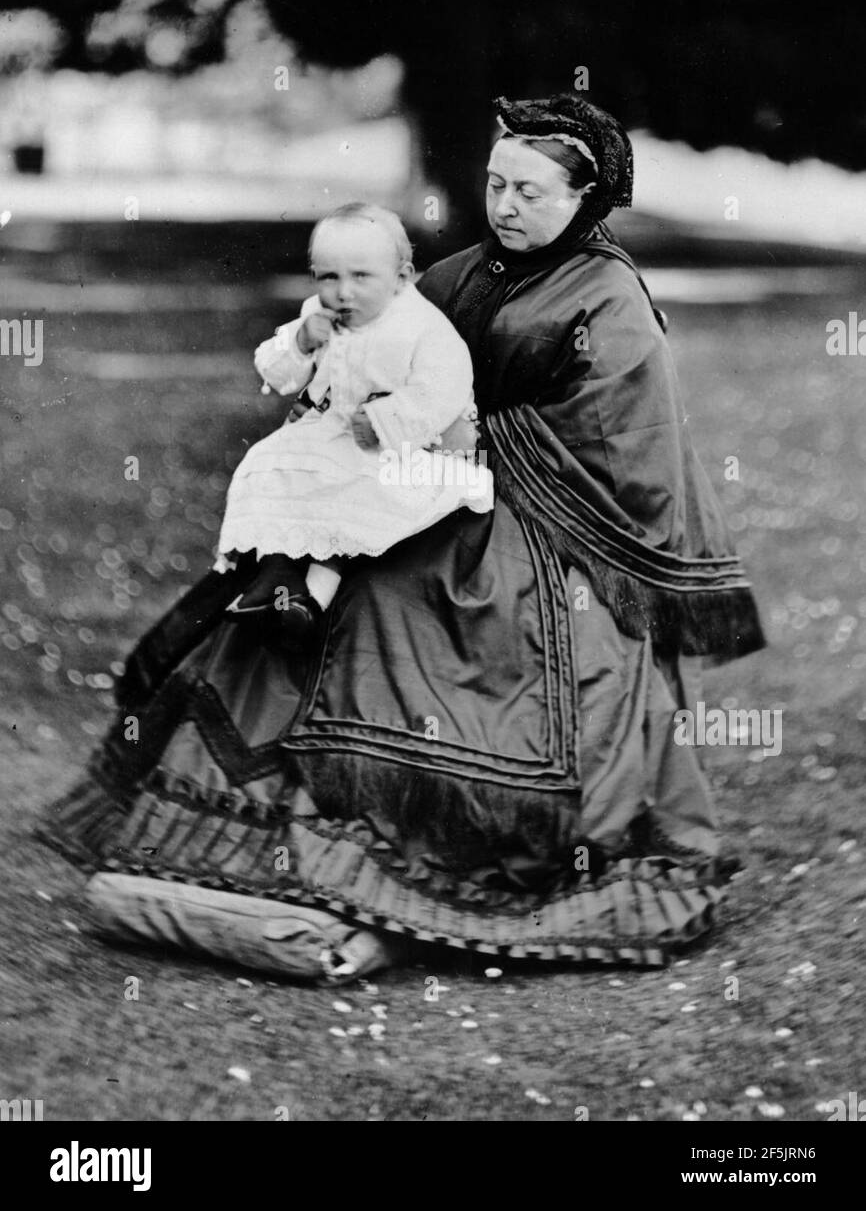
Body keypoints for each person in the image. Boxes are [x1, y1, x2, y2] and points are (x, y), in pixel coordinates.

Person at [37, 93, 763, 982]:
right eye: (496, 184)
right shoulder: (464, 271)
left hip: (548, 525)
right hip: (422, 486)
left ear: (585, 197)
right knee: (304, 575)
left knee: (397, 604)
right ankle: (279, 821)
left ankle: (435, 839)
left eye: (531, 193)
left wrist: (481, 443)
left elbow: (622, 445)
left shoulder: (610, 298)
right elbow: (380, 345)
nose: (505, 206)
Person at [215, 202, 492, 642]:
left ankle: (312, 600)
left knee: (350, 494)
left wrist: (385, 420)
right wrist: (302, 342)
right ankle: (277, 577)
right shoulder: (319, 313)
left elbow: (443, 390)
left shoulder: (421, 327)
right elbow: (277, 373)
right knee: (268, 462)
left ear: (400, 277)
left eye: (361, 277)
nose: (343, 292)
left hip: (401, 448)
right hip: (331, 433)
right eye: (329, 276)